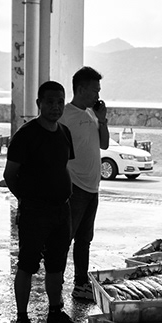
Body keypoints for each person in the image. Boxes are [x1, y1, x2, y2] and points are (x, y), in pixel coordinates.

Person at [4, 80, 82, 323]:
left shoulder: (64, 132)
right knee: (27, 265)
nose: (55, 106)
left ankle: (55, 314)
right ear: (39, 103)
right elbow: (10, 175)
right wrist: (28, 200)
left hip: (62, 211)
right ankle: (22, 318)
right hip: (35, 212)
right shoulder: (26, 135)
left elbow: (61, 168)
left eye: (60, 101)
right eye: (50, 101)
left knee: (56, 266)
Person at [63, 66, 110, 301]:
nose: (97, 96)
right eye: (94, 90)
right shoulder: (65, 115)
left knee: (85, 239)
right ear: (80, 89)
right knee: (65, 239)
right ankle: (57, 284)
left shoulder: (93, 113)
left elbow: (104, 145)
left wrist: (102, 120)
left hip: (93, 188)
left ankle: (80, 283)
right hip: (75, 188)